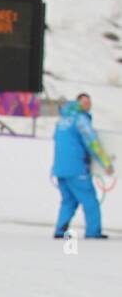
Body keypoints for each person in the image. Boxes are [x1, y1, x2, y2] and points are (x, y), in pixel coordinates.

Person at [52, 92, 114, 239]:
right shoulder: (80, 120)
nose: (88, 105)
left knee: (69, 201)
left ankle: (60, 229)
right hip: (76, 169)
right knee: (90, 200)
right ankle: (93, 231)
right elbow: (92, 142)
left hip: (60, 169)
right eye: (84, 102)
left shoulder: (62, 120)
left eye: (89, 102)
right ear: (77, 103)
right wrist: (106, 163)